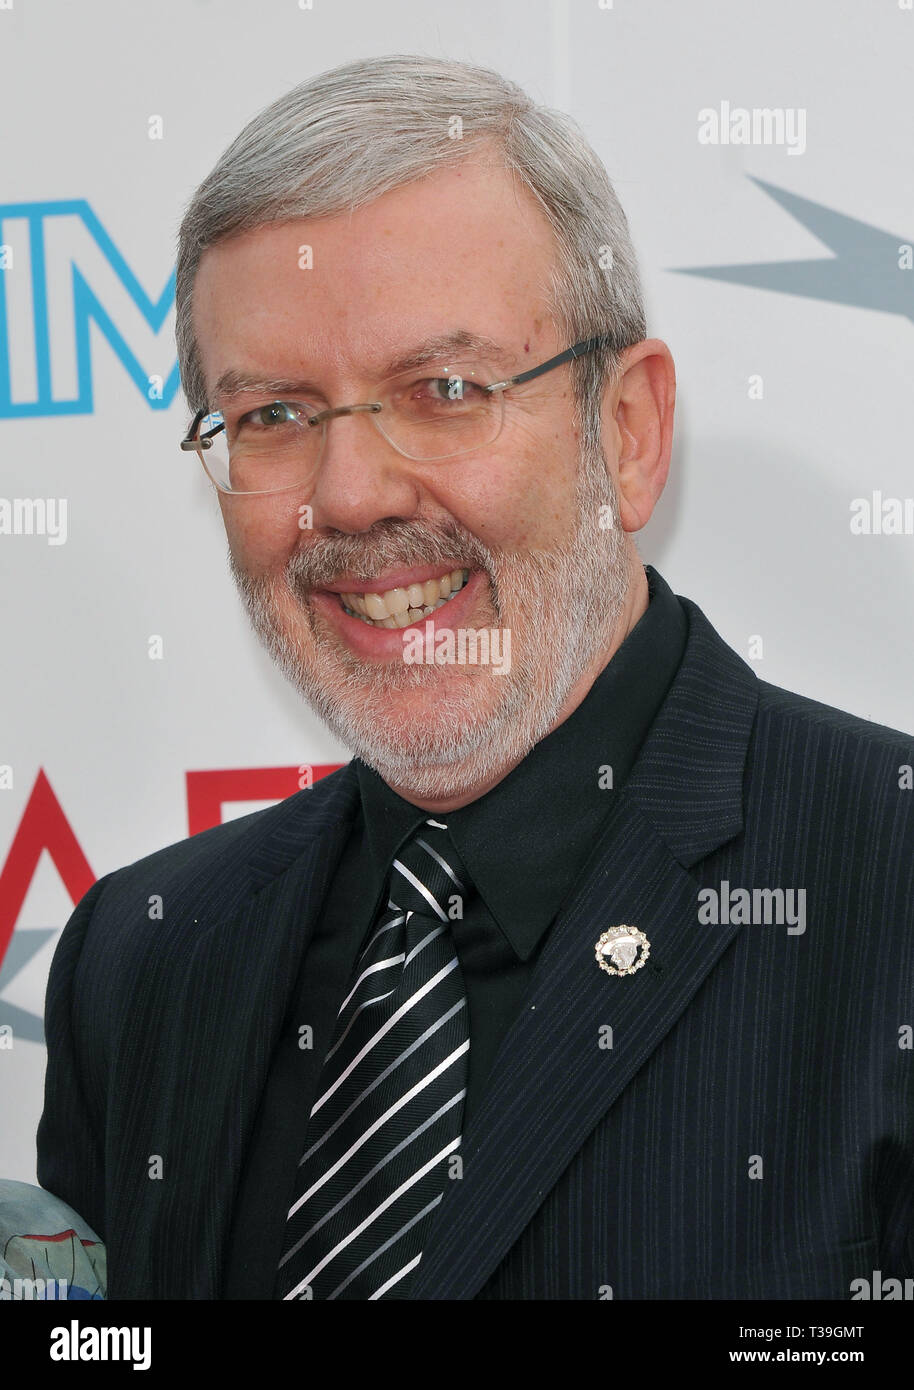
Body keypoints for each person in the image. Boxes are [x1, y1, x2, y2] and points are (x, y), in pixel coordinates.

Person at [36, 54, 914, 1300]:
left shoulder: (884, 887)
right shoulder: (141, 958)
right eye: (275, 415)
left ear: (628, 430)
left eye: (443, 391)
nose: (348, 496)